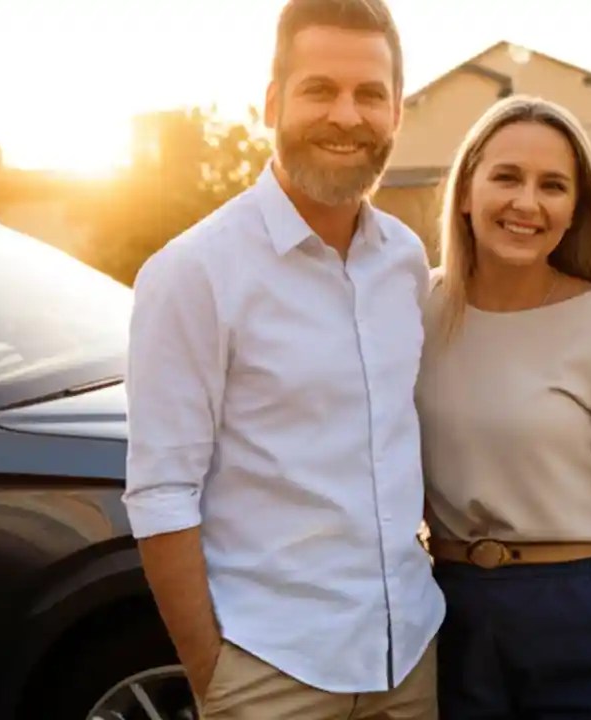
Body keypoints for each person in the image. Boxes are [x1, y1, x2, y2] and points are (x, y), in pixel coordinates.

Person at [123, 1, 444, 718]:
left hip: (411, 659)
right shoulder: (194, 272)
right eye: (319, 89)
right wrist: (214, 677)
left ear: (396, 112)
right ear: (273, 103)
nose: (346, 115)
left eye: (370, 94)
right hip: (273, 675)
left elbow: (400, 437)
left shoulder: (404, 262)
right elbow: (160, 491)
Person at [415, 95, 591, 719]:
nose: (528, 203)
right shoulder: (413, 307)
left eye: (553, 185)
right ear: (466, 191)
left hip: (583, 617)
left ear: (575, 211)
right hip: (450, 615)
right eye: (507, 177)